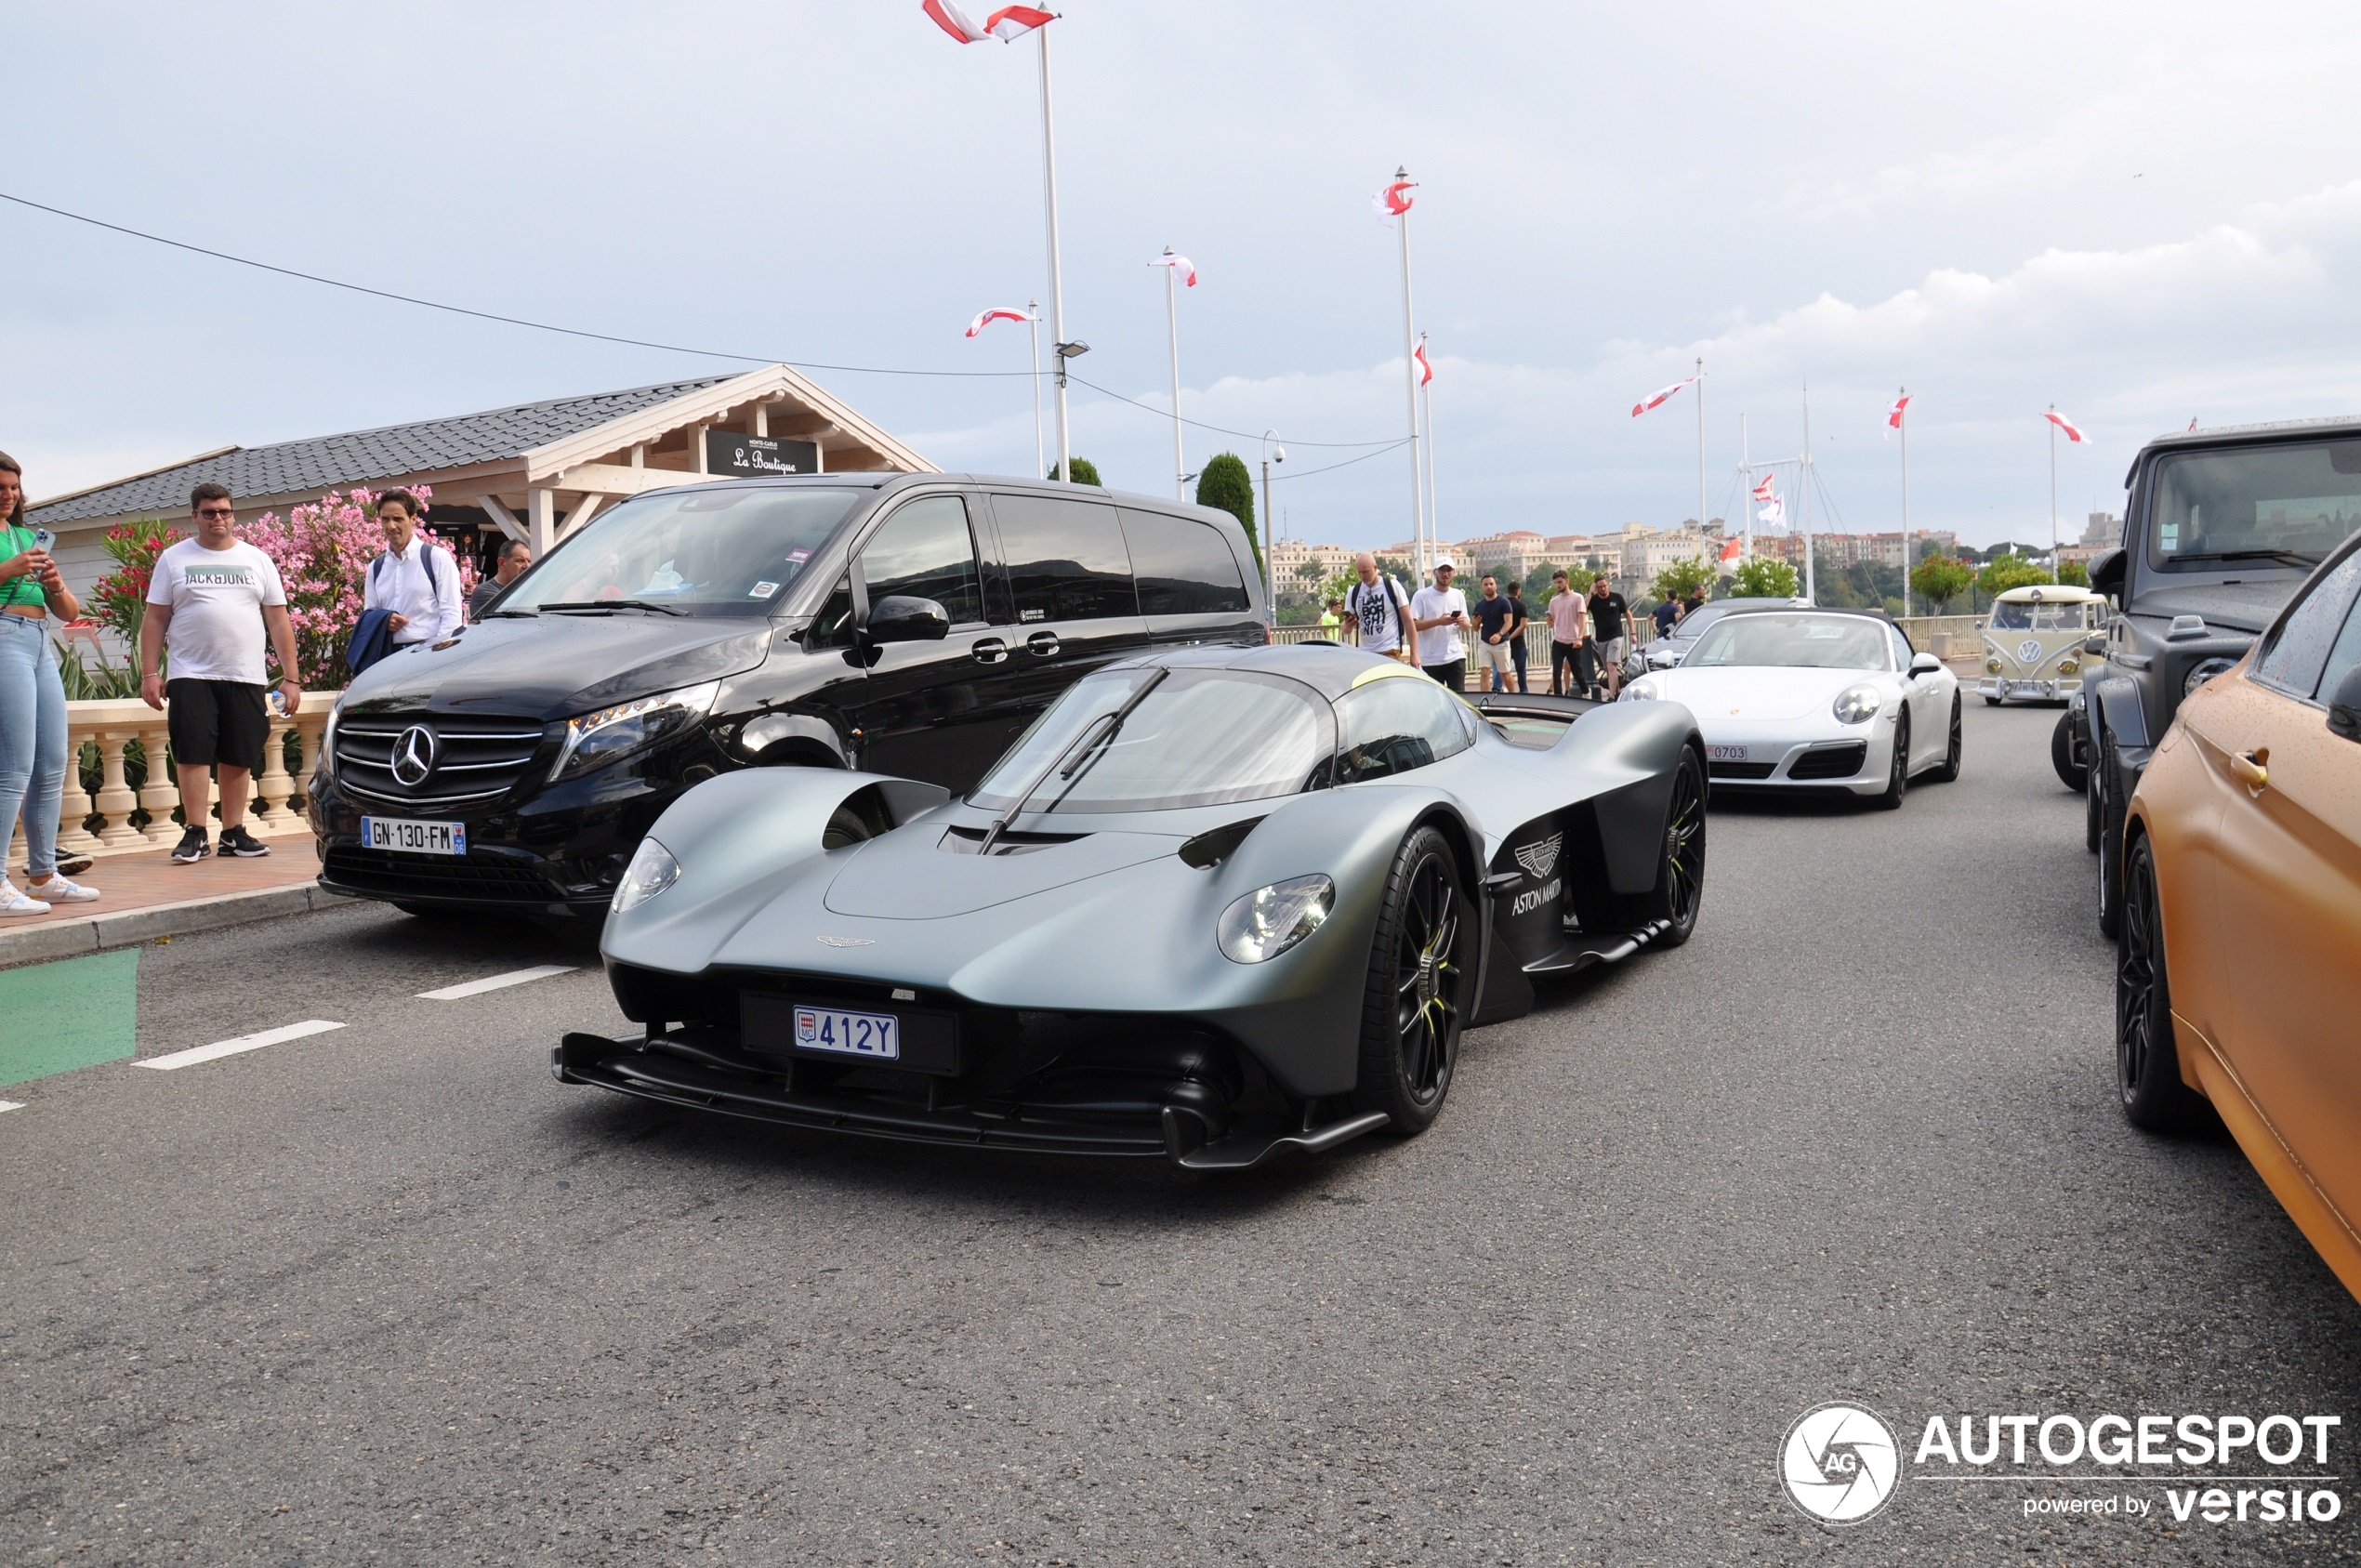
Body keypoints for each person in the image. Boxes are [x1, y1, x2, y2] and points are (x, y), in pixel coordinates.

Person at [140, 483, 302, 863]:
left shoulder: (257, 560)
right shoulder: (174, 559)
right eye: (210, 512)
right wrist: (150, 673)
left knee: (239, 753)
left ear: (233, 515)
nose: (218, 518)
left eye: (225, 512)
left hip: (245, 674)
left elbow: (279, 622)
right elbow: (155, 619)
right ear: (195, 516)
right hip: (190, 672)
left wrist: (291, 678)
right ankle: (195, 831)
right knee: (192, 751)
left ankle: (233, 832)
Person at [0, 452, 101, 914]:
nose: (8, 495)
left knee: (53, 762)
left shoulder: (24, 536)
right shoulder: (15, 550)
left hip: (40, 641)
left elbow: (70, 613)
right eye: (0, 487)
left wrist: (56, 583)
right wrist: (9, 569)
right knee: (13, 766)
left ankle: (42, 874)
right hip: (3, 638)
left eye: (14, 487)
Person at [363, 490, 463, 650]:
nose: (391, 526)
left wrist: (437, 652)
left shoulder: (436, 558)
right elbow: (369, 615)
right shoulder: (376, 567)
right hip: (387, 654)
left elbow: (451, 614)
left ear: (413, 519)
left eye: (398, 519)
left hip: (426, 651)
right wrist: (384, 621)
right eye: (385, 519)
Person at [1410, 558, 1470, 690]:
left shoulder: (1458, 594)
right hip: (1430, 659)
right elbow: (1413, 625)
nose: (1445, 574)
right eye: (1442, 570)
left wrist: (1461, 622)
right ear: (1435, 572)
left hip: (1455, 656)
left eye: (1449, 570)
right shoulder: (1421, 596)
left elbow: (1466, 627)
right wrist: (1438, 622)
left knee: (1459, 698)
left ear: (1454, 573)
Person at [1345, 552, 1414, 661]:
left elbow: (1408, 620)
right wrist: (1347, 625)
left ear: (1375, 568)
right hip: (1366, 652)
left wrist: (1414, 654)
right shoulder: (1354, 592)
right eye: (1360, 573)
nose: (1363, 576)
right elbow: (1345, 629)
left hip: (1390, 650)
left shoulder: (1392, 586)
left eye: (1366, 572)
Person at [1545, 569, 1589, 697]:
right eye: (1556, 583)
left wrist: (1579, 637)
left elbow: (1582, 619)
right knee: (1556, 671)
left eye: (1560, 582)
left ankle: (1586, 693)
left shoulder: (1577, 598)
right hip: (1558, 640)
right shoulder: (1554, 601)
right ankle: (1559, 697)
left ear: (1567, 581)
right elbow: (1552, 622)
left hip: (1573, 640)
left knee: (1577, 671)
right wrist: (1550, 621)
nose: (1558, 585)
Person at [468, 536, 533, 621]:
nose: (527, 566)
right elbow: (514, 619)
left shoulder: (527, 590)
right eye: (520, 561)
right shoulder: (484, 592)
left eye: (529, 561)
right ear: (502, 563)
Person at [1470, 573, 1516, 692]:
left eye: (1491, 584)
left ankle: (1514, 696)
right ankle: (1485, 700)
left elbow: (1509, 622)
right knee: (1485, 672)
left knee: (1505, 673)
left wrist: (1499, 634)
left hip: (1501, 643)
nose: (1489, 587)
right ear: (1482, 587)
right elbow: (1475, 628)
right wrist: (1475, 623)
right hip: (1485, 643)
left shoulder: (1504, 602)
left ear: (1496, 586)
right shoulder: (1480, 606)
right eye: (1486, 584)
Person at [1589, 576, 1632, 699]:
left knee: (1612, 665)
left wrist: (1633, 633)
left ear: (1608, 585)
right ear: (1596, 587)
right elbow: (1582, 609)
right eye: (1600, 587)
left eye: (1605, 586)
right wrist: (1590, 593)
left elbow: (1628, 614)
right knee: (1608, 667)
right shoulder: (1594, 600)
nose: (1603, 589)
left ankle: (1612, 696)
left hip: (1616, 636)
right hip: (1601, 638)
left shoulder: (1617, 598)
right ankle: (1618, 690)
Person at [1503, 579, 1532, 692]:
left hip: (1503, 641)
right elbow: (1523, 625)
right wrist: (1512, 636)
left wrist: (1506, 636)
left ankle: (1500, 689)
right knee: (1521, 670)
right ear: (1518, 591)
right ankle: (1523, 692)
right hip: (1519, 642)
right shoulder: (1521, 605)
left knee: (1503, 669)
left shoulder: (1503, 604)